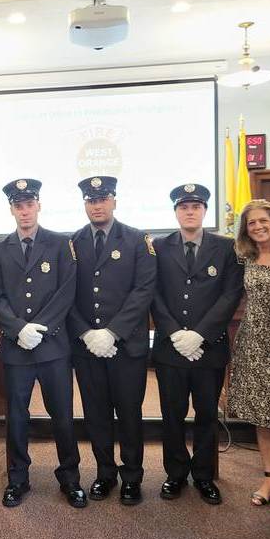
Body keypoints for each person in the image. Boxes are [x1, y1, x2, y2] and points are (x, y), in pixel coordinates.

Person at [0, 178, 84, 508]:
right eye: (18, 205)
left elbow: (66, 292)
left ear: (39, 205)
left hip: (53, 346)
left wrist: (39, 328)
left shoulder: (61, 244)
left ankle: (70, 478)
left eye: (29, 204)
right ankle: (17, 478)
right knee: (16, 417)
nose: (24, 211)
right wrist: (18, 328)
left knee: (62, 414)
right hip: (17, 348)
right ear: (12, 209)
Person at [150, 184, 244, 505]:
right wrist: (176, 333)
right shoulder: (158, 247)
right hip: (170, 348)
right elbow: (153, 293)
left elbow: (231, 294)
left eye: (196, 206)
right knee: (171, 414)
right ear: (175, 212)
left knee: (206, 415)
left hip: (209, 348)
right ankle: (175, 474)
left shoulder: (226, 247)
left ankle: (204, 476)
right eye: (183, 207)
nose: (190, 212)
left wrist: (200, 334)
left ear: (205, 211)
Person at [67, 175, 157, 505]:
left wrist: (112, 331)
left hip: (126, 346)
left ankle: (132, 476)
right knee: (96, 414)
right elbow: (66, 295)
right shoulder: (72, 243)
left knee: (129, 413)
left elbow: (143, 290)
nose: (98, 205)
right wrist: (87, 333)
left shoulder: (137, 240)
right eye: (92, 200)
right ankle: (105, 473)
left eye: (103, 199)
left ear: (115, 201)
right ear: (85, 205)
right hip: (88, 346)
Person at [226, 199, 270, 516]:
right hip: (252, 341)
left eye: (262, 221)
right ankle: (268, 478)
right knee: (260, 415)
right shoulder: (247, 257)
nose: (257, 227)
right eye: (251, 223)